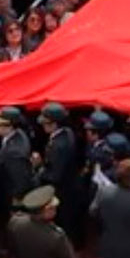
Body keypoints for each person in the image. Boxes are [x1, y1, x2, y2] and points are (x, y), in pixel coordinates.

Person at [35, 101, 82, 243]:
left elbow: (55, 175)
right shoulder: (67, 133)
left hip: (63, 191)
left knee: (66, 226)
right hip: (72, 186)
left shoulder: (58, 145)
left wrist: (39, 168)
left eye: (46, 123)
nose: (43, 126)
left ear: (54, 124)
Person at [8, 184, 78, 258]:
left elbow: (13, 251)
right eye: (52, 207)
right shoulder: (56, 237)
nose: (55, 208)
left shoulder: (15, 222)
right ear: (46, 211)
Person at [0, 105, 33, 217]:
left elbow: (20, 181)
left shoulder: (14, 152)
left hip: (10, 197)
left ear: (10, 126)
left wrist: (15, 205)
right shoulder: (17, 135)